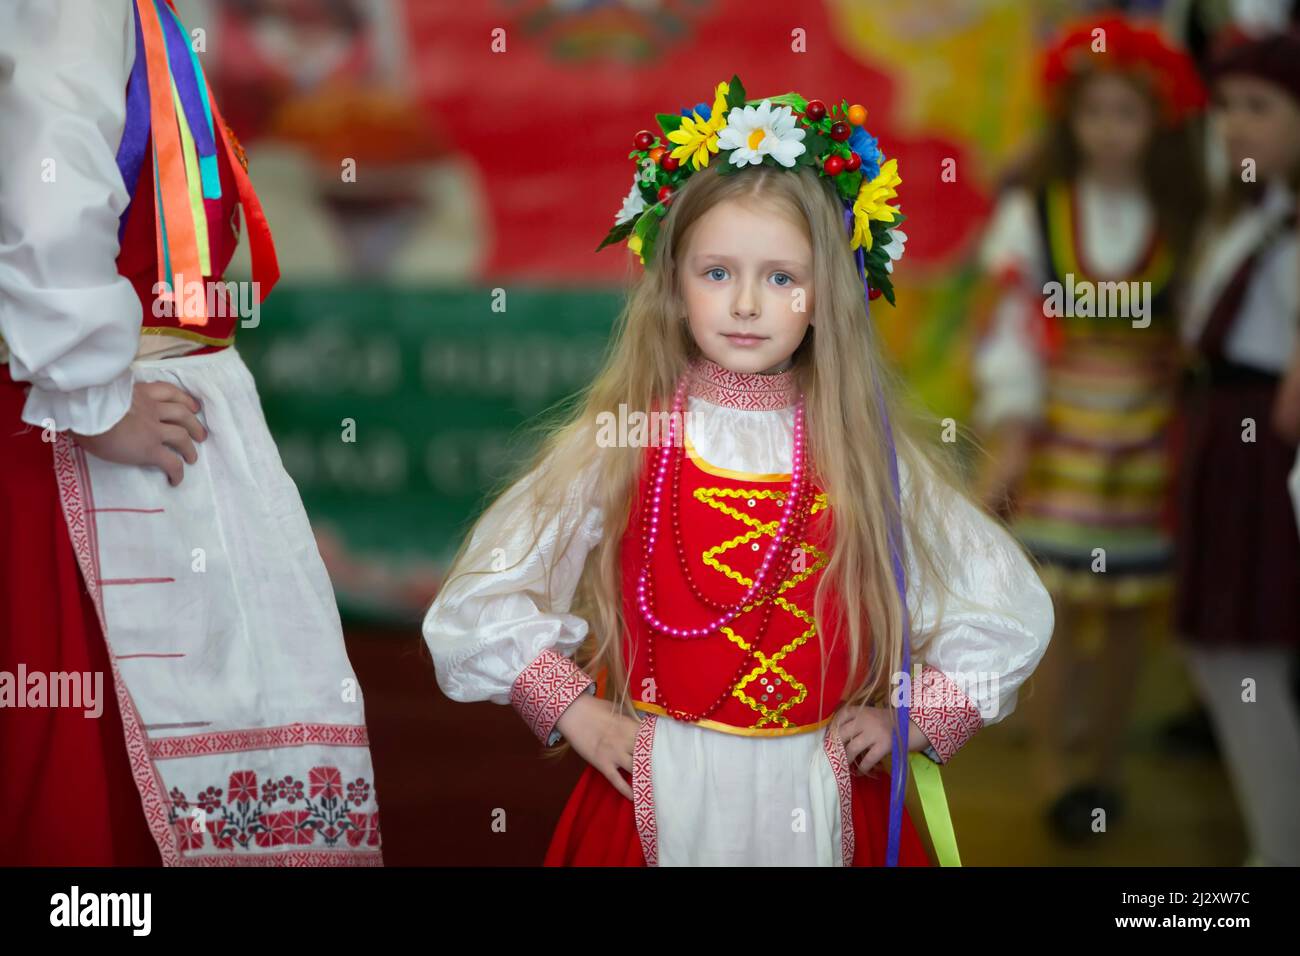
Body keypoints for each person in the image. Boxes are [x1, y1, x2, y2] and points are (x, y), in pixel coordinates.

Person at [423, 77, 1054, 866]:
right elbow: (479, 599)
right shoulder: (622, 442)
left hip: (819, 795)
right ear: (673, 285)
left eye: (782, 278)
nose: (748, 303)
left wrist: (916, 719)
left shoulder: (864, 454)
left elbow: (1003, 607)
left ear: (828, 297)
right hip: (660, 792)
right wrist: (578, 715)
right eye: (717, 273)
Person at [0, 0, 382, 865]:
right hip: (76, 437)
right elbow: (44, 187)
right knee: (85, 766)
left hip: (130, 404)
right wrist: (95, 396)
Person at [970, 15, 1207, 841]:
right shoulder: (1037, 214)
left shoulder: (1184, 219)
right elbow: (1009, 331)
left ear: (1160, 122)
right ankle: (1055, 776)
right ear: (1068, 120)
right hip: (1061, 440)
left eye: (1127, 114)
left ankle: (1104, 765)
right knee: (1059, 612)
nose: (1108, 132)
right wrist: (1011, 432)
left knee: (1131, 617)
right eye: (1093, 113)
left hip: (1147, 448)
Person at [1176, 28, 1300, 867]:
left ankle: (1279, 847)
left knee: (1241, 648)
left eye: (1259, 107)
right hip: (1227, 434)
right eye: (1225, 107)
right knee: (1221, 648)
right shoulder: (1249, 213)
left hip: (1265, 450)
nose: (1235, 125)